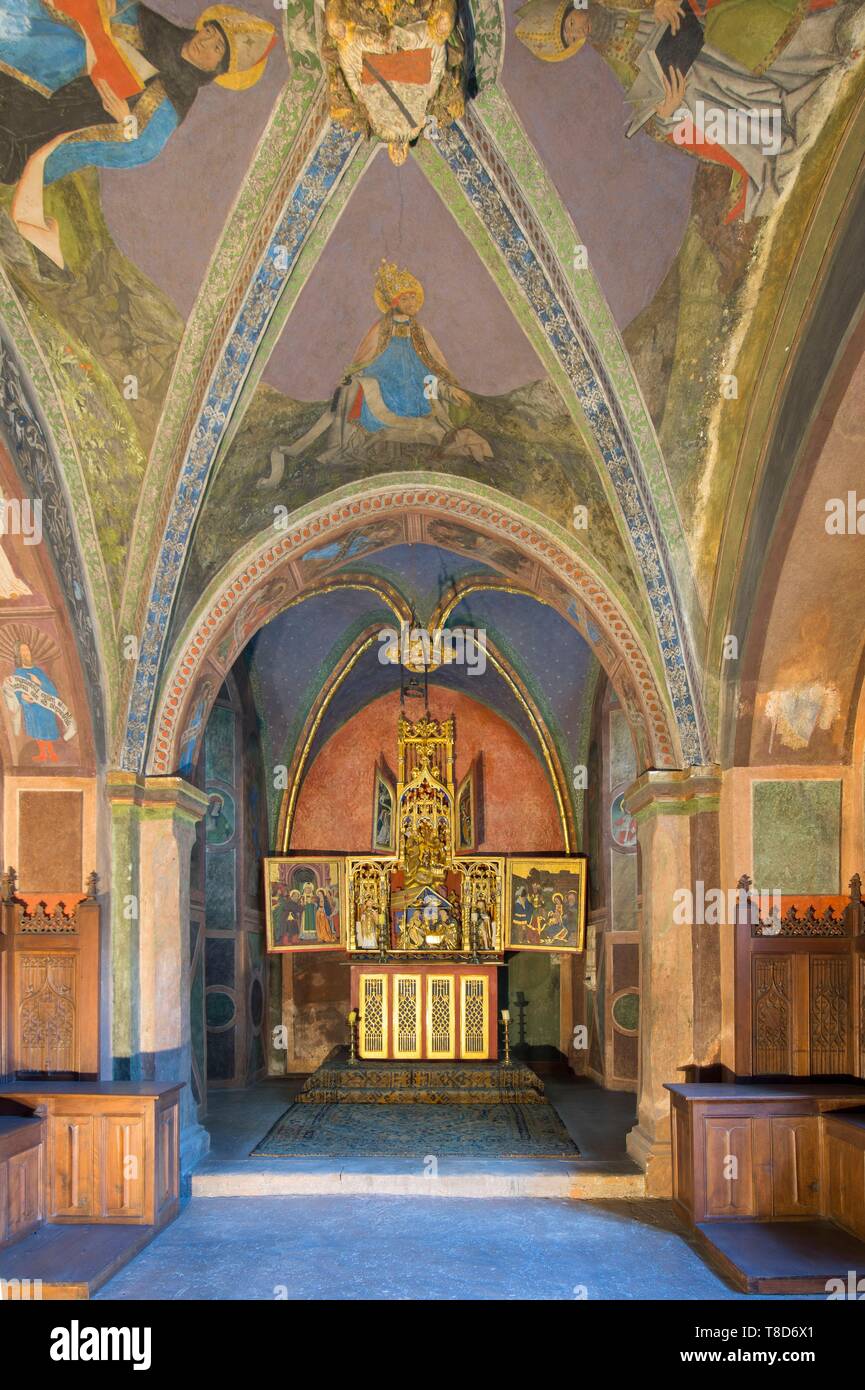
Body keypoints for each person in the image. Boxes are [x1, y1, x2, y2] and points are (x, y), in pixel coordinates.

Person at [515, 0, 863, 221]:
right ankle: (779, 135)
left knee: (751, 32)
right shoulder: (609, 54)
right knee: (701, 109)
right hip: (697, 75)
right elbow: (646, 106)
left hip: (703, 20)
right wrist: (666, 110)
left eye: (570, 22)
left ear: (571, 7)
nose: (577, 30)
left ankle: (831, 44)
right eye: (570, 36)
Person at [0, 1, 276, 266]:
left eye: (216, 47)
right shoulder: (150, 25)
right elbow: (111, 11)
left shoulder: (176, 97)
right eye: (210, 31)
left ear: (218, 69)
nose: (204, 42)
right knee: (58, 44)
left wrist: (125, 120)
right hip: (53, 64)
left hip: (70, 113)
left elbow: (143, 143)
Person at [281, 260, 491, 462]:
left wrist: (448, 389)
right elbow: (364, 360)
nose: (412, 303)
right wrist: (353, 378)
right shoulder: (380, 330)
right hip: (384, 391)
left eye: (413, 298)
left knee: (437, 410)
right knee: (362, 389)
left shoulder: (420, 331)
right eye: (405, 299)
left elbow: (432, 366)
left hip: (418, 392)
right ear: (393, 302)